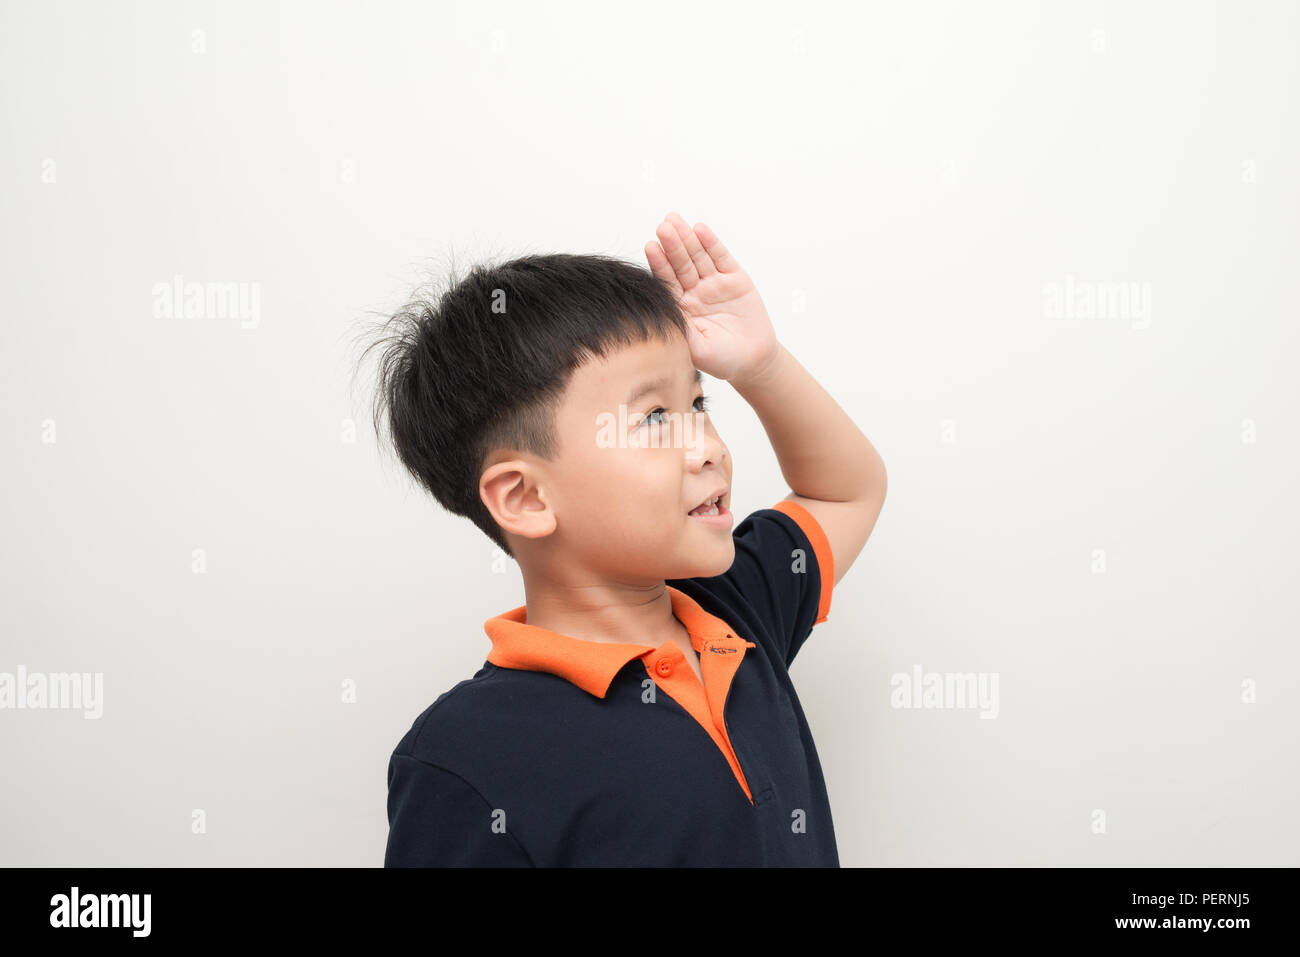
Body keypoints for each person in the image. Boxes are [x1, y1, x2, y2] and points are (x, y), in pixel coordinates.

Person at [366, 212, 887, 865]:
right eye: (654, 419)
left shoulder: (736, 608)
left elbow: (845, 489)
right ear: (526, 497)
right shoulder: (467, 754)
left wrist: (762, 367)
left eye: (698, 405)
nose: (707, 448)